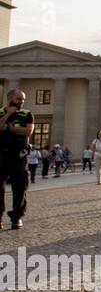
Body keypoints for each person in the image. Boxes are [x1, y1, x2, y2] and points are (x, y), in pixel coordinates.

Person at [1, 89, 35, 230]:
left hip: (19, 156)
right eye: (19, 99)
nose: (21, 101)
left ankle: (16, 217)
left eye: (23, 99)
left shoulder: (27, 114)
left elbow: (28, 131)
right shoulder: (1, 112)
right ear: (10, 98)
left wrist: (8, 128)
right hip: (1, 155)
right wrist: (8, 114)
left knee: (20, 187)